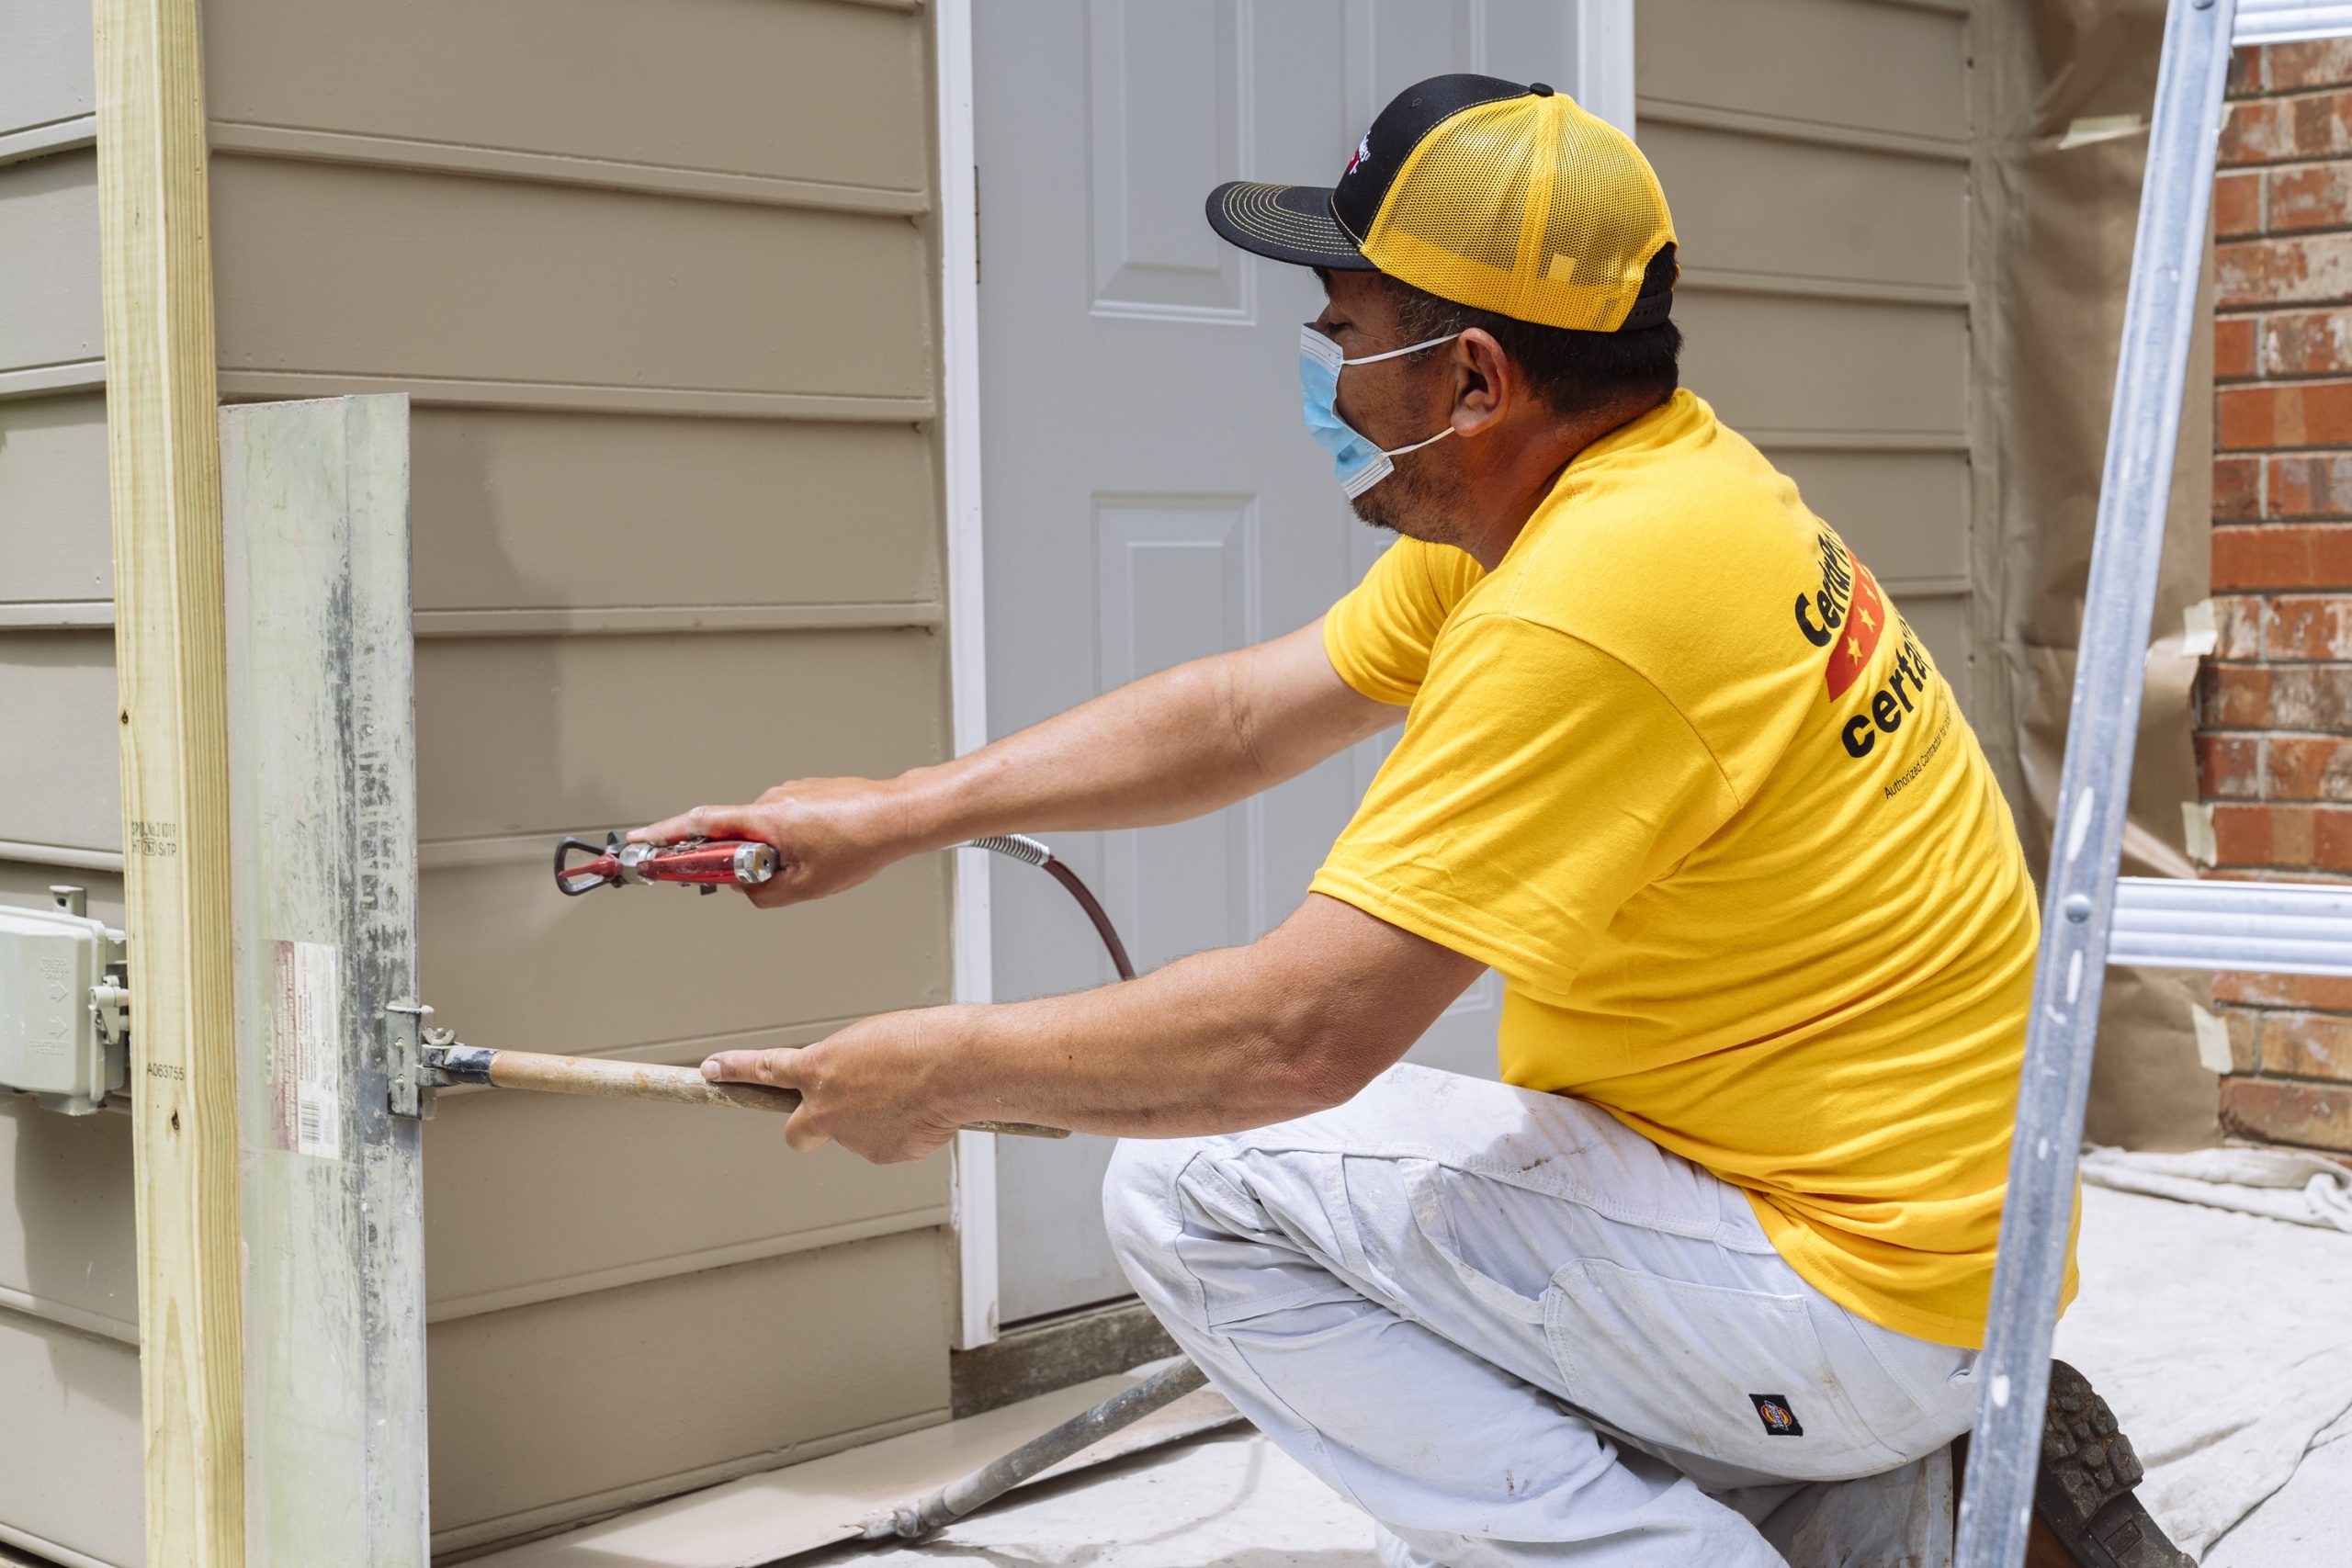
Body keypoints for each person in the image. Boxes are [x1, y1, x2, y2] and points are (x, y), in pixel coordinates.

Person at [637, 75, 2184, 1568]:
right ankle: (1882, 1519)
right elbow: (1246, 713)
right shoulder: (1608, 487)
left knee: (1197, 1184)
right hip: (1903, 1239)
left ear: (1472, 379)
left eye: (1343, 329)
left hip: (1862, 1291)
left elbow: (1294, 1040)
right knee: (1439, 1404)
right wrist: (900, 812)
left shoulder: (1591, 603)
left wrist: (943, 1073)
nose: (1317, 363)